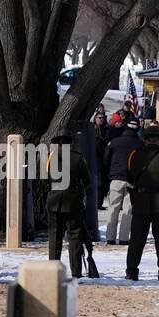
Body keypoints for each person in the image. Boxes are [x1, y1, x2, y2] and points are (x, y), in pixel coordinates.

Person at [125, 126, 159, 281]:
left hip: (140, 201)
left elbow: (129, 177)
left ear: (145, 140)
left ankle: (131, 271)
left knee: (136, 240)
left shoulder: (134, 156)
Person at [46, 132, 91, 277]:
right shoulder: (77, 158)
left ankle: (53, 269)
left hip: (54, 200)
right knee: (74, 236)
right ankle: (76, 271)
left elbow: (45, 179)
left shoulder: (49, 158)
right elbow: (87, 180)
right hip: (72, 200)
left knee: (54, 236)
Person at [102, 119, 139, 244]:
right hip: (132, 181)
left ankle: (110, 237)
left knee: (113, 208)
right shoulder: (139, 144)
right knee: (128, 210)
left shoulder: (115, 142)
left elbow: (106, 159)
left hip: (116, 178)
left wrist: (110, 173)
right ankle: (124, 238)